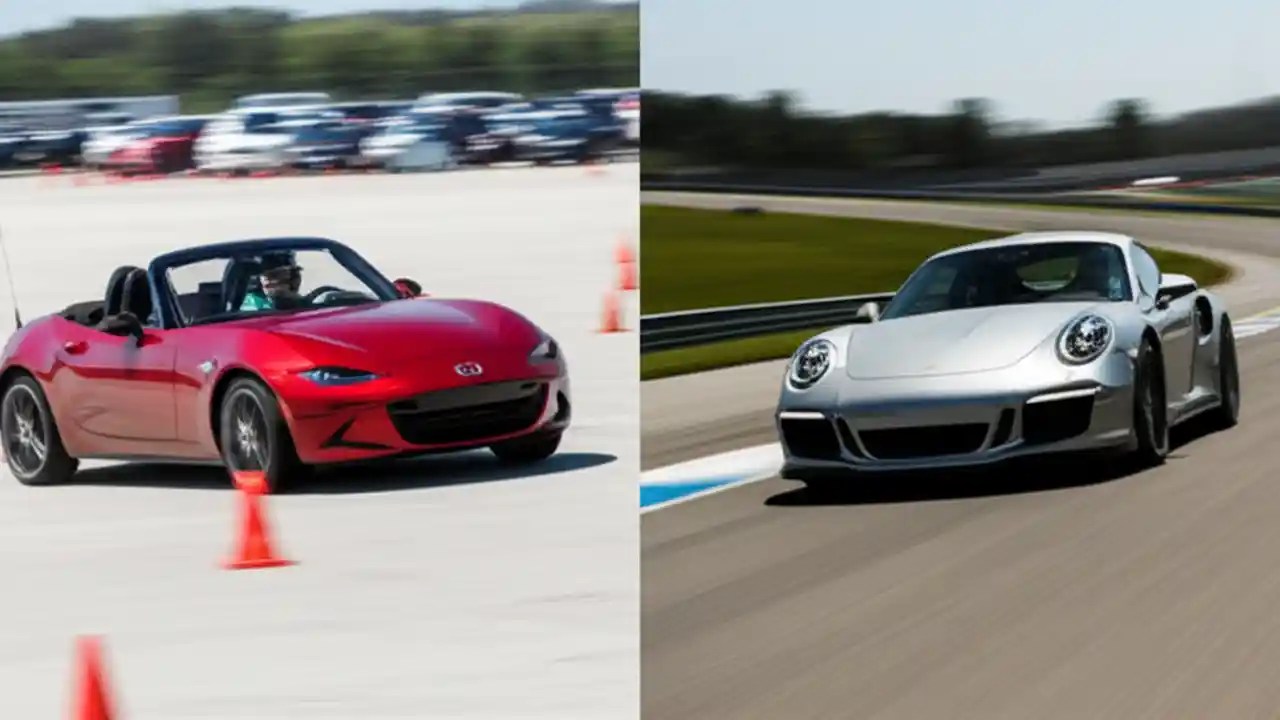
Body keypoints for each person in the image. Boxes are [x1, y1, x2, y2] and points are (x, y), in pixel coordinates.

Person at [240, 251, 306, 311]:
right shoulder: (250, 305)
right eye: (273, 275)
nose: (276, 281)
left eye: (289, 273)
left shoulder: (300, 302)